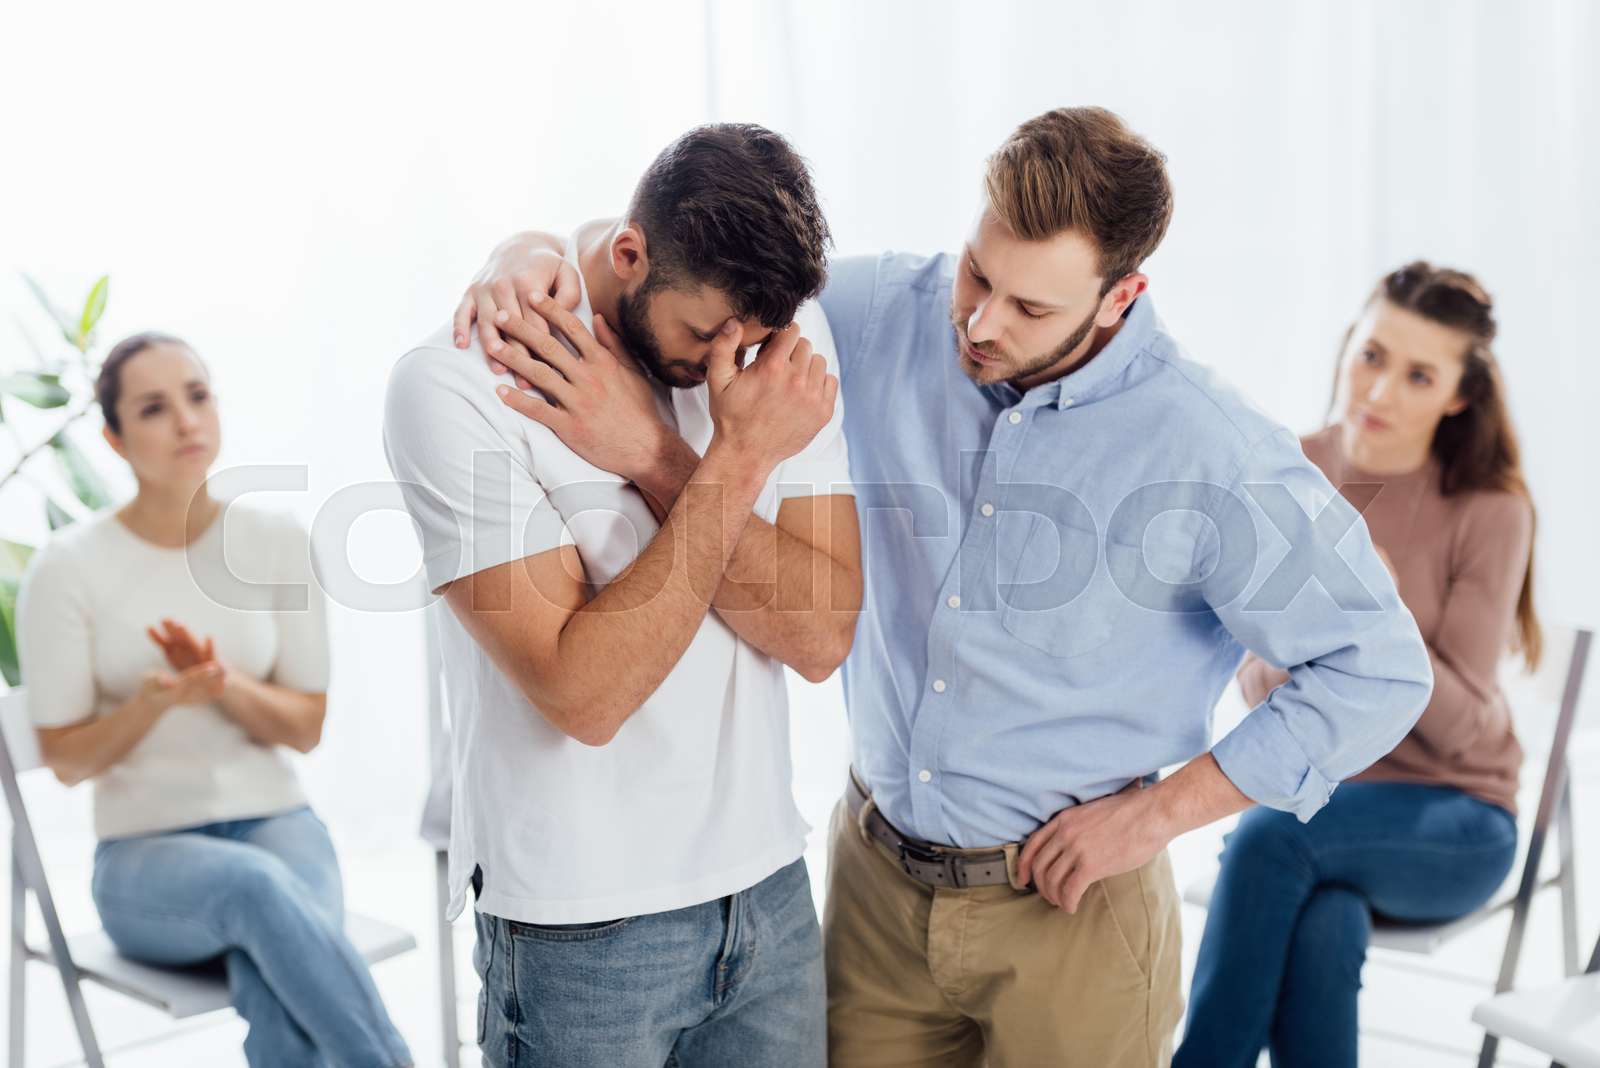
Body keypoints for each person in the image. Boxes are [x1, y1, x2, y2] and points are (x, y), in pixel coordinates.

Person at [458, 106, 1433, 1066]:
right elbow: (693, 265)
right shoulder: (879, 313)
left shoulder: (1214, 451)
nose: (977, 321)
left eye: (1030, 307)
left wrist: (1159, 814)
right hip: (872, 896)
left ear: (1121, 296)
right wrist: (527, 251)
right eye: (977, 272)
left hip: (1073, 917)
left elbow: (1375, 671)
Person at [383, 123, 860, 1068]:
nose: (733, 367)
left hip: (765, 889)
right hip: (579, 933)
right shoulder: (461, 385)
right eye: (702, 335)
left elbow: (819, 638)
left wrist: (657, 452)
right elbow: (585, 695)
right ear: (631, 254)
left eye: (755, 342)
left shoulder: (774, 358)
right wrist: (735, 462)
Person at [16, 332, 412, 1068]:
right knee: (261, 892)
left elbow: (306, 728)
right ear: (114, 436)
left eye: (198, 396)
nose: (187, 422)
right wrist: (155, 702)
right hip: (144, 856)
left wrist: (222, 685)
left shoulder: (275, 540)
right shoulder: (69, 567)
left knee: (276, 973)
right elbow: (66, 761)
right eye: (155, 408)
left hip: (279, 823)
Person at [1177, 263, 1535, 1068]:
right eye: (1371, 355)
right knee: (1324, 921)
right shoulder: (1291, 467)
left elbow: (1464, 731)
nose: (1379, 392)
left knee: (1269, 836)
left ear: (1458, 397)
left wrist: (1381, 605)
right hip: (1329, 802)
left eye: (1418, 376)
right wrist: (1306, 629)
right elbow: (1254, 681)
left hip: (1456, 815)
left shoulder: (1490, 509)